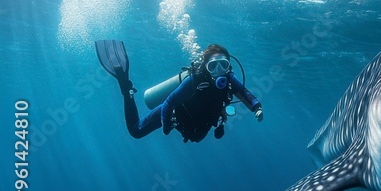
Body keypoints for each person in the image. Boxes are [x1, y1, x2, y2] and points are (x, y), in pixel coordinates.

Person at [95, 40, 263, 143]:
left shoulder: (230, 80)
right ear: (206, 67)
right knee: (136, 131)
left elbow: (244, 93)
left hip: (195, 124)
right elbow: (169, 102)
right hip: (175, 113)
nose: (219, 70)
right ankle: (126, 90)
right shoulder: (195, 80)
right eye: (213, 66)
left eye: (223, 65)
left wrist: (256, 108)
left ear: (229, 66)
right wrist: (166, 127)